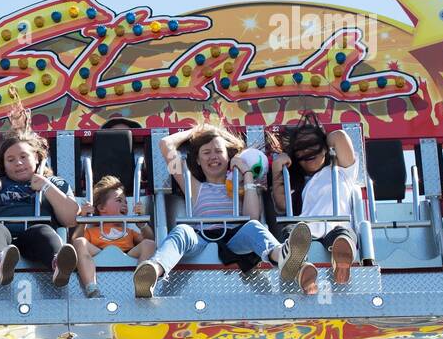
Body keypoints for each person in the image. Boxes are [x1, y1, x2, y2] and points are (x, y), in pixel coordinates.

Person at [133, 123, 312, 298]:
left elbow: (251, 216)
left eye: (219, 151)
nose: (213, 156)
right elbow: (166, 145)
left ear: (228, 157)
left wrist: (247, 173)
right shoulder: (192, 186)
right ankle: (153, 271)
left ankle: (283, 257)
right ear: (197, 160)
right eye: (206, 152)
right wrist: (198, 130)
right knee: (182, 230)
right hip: (202, 237)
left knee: (254, 226)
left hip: (234, 238)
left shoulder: (241, 187)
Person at [0, 102, 79, 287]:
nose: (18, 163)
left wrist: (46, 187)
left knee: (43, 231)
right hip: (0, 234)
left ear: (37, 158)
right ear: (3, 165)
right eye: (11, 159)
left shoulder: (53, 182)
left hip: (32, 235)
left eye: (24, 157)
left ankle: (59, 264)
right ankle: (0, 262)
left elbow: (71, 219)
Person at [269, 116, 360, 292]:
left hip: (336, 226)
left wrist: (321, 143)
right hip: (305, 231)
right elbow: (281, 206)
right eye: (301, 149)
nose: (308, 152)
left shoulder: (341, 170)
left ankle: (342, 257)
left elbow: (340, 137)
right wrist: (277, 169)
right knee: (290, 233)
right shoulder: (297, 182)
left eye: (312, 144)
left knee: (343, 235)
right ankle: (301, 269)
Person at [72, 175, 156, 298]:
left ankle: (142, 281)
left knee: (150, 244)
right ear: (101, 208)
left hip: (126, 253)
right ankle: (91, 287)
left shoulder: (129, 231)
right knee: (79, 242)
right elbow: (75, 242)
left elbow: (149, 239)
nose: (125, 205)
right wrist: (83, 221)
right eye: (119, 200)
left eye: (126, 202)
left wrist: (142, 224)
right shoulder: (92, 231)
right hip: (99, 252)